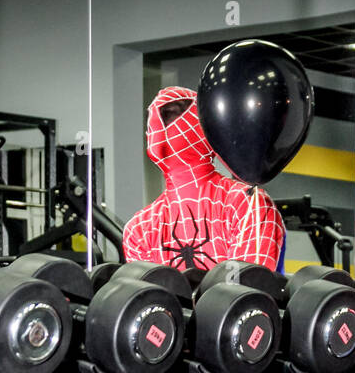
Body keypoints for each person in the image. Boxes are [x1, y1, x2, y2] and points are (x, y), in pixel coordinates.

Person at [122, 85, 284, 271]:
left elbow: (247, 290)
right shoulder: (139, 228)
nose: (159, 126)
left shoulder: (247, 204)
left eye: (173, 114)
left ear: (203, 124)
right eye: (158, 118)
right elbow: (146, 297)